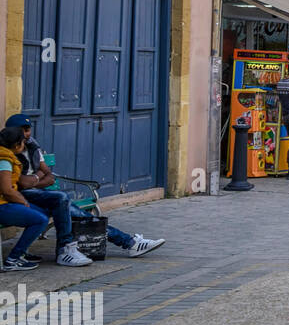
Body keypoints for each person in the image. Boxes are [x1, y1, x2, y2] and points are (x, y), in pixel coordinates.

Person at [5, 114, 165, 263]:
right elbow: (22, 184)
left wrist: (34, 179)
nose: (27, 134)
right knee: (66, 203)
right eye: (23, 130)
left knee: (79, 213)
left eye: (28, 130)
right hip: (24, 197)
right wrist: (38, 178)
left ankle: (129, 243)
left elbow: (49, 176)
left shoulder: (33, 147)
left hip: (41, 194)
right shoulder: (10, 152)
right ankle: (127, 243)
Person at [0, 127, 47, 271]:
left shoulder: (7, 156)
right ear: (16, 145)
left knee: (42, 213)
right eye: (22, 142)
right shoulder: (4, 160)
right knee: (40, 220)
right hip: (2, 205)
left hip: (6, 202)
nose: (24, 145)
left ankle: (22, 251)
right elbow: (7, 190)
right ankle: (13, 259)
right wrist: (23, 202)